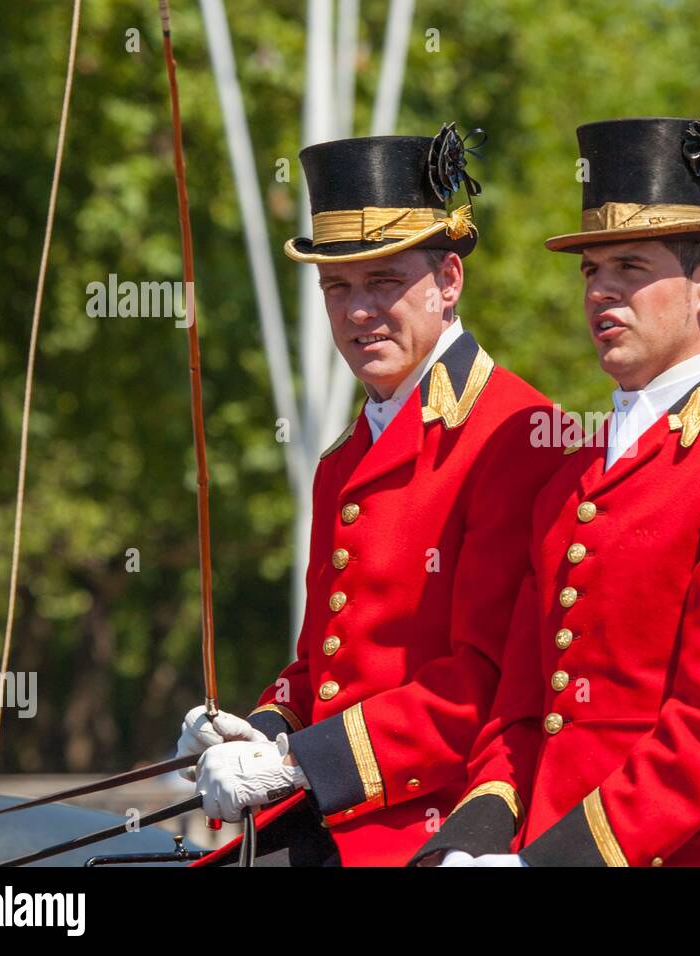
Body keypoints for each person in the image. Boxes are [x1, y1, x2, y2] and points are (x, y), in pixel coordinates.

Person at [412, 109, 700, 866]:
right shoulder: (574, 475)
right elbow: (522, 711)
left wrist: (547, 862)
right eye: (591, 272)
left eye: (631, 270)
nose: (600, 294)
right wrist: (469, 840)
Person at [179, 124, 561, 865]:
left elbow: (480, 686)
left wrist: (299, 764)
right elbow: (319, 664)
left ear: (449, 281)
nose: (358, 311)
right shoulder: (345, 457)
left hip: (439, 834)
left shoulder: (520, 435)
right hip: (326, 819)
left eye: (385, 282)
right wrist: (259, 729)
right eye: (338, 287)